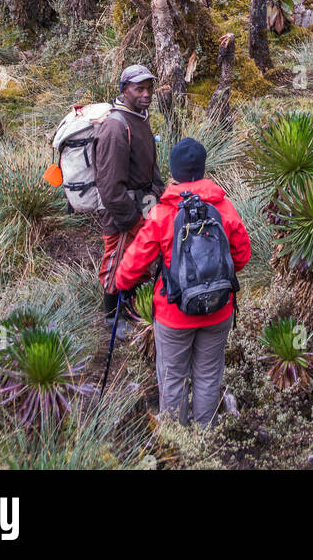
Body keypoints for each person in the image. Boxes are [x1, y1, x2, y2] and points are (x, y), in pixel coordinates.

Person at [115, 137, 251, 427]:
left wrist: (121, 283)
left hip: (173, 313)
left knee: (173, 376)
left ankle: (176, 442)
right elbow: (241, 255)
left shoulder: (162, 213)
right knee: (208, 374)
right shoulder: (223, 207)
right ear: (202, 168)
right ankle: (205, 435)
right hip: (218, 309)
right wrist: (216, 278)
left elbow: (135, 261)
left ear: (173, 171)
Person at [94, 64, 165, 339]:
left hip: (145, 201)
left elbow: (150, 167)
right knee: (118, 261)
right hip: (122, 211)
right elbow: (110, 187)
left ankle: (134, 308)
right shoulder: (115, 126)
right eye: (139, 89)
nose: (146, 94)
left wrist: (157, 199)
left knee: (144, 258)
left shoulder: (140, 118)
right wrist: (132, 220)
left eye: (149, 88)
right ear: (124, 90)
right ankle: (112, 318)